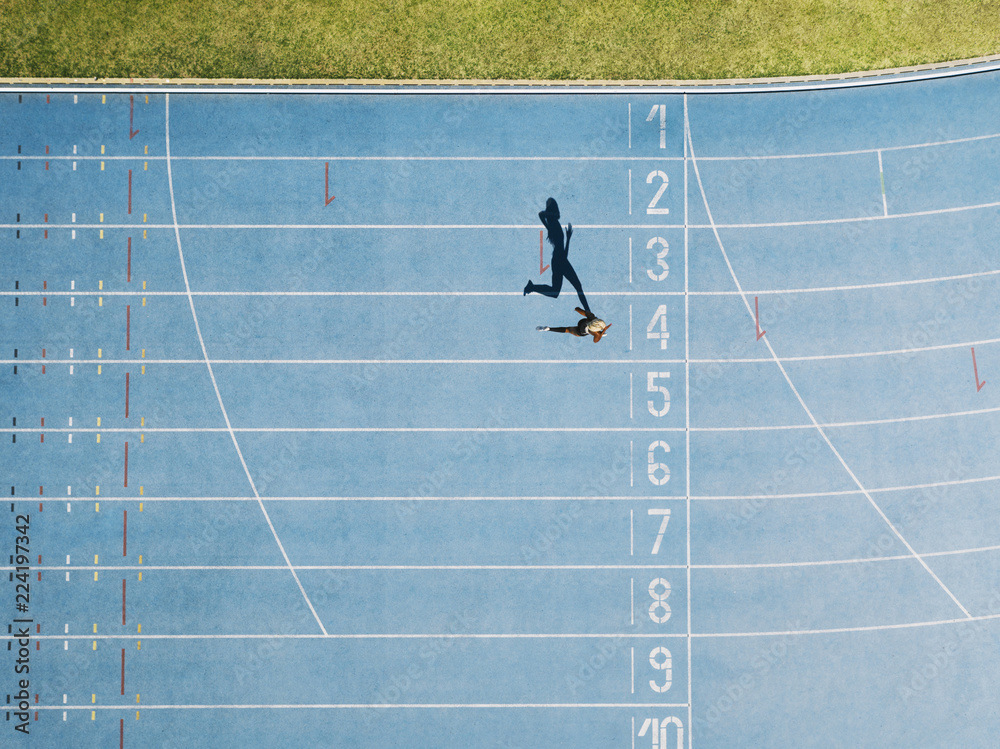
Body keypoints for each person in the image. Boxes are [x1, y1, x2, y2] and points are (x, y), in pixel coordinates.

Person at [523, 198, 591, 313]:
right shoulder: (553, 225)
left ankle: (532, 287)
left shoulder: (553, 225)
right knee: (577, 287)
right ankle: (589, 314)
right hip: (560, 260)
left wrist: (568, 239)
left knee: (557, 292)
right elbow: (540, 214)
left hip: (559, 260)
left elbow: (563, 253)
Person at [537, 307, 611, 343]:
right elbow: (595, 341)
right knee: (568, 330)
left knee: (589, 315)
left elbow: (577, 309)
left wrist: (576, 309)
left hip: (583, 322)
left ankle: (549, 329)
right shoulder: (596, 334)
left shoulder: (592, 317)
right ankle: (548, 329)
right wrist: (601, 333)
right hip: (582, 331)